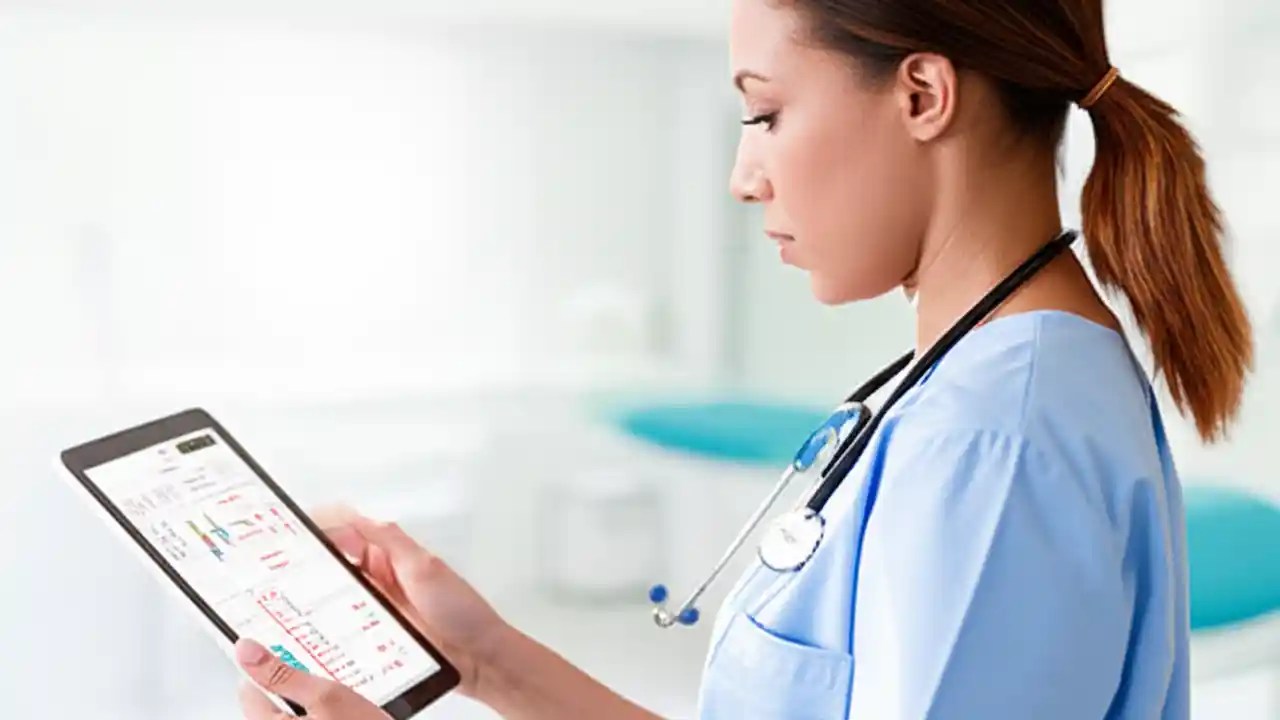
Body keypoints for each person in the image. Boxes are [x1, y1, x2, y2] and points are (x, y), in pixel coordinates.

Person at [232, 0, 1254, 717]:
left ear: (921, 95)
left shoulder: (993, 445)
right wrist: (483, 658)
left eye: (764, 113)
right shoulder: (975, 393)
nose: (742, 176)